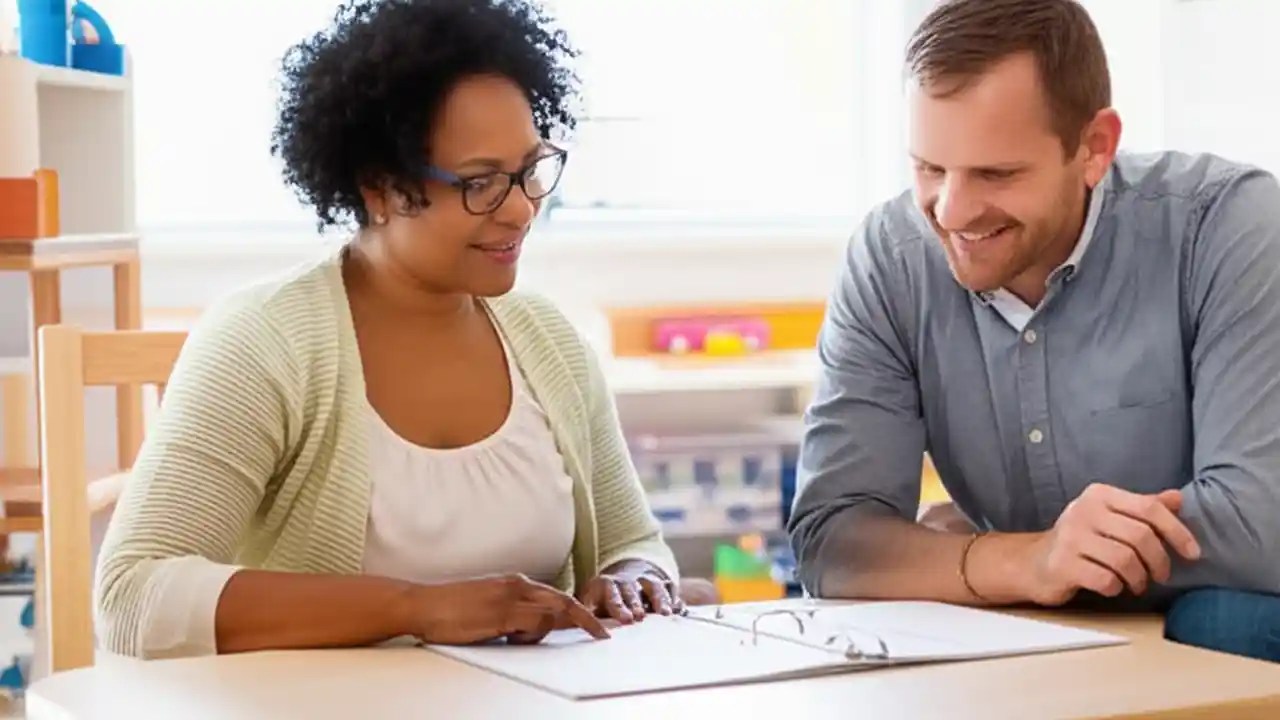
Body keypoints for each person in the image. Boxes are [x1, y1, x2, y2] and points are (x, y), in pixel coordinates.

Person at [94, 0, 707, 660]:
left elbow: (632, 543)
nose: (524, 208)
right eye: (480, 184)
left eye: (531, 169)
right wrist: (416, 607)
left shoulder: (548, 340)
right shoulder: (267, 341)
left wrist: (636, 579)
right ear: (380, 188)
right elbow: (133, 596)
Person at [789, 0, 1280, 663]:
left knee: (1220, 620)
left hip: (1227, 618)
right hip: (1049, 638)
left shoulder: (1226, 226)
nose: (952, 212)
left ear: (1094, 148)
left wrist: (958, 556)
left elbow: (1258, 528)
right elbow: (834, 542)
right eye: (930, 168)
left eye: (997, 173)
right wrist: (1026, 560)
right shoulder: (890, 259)